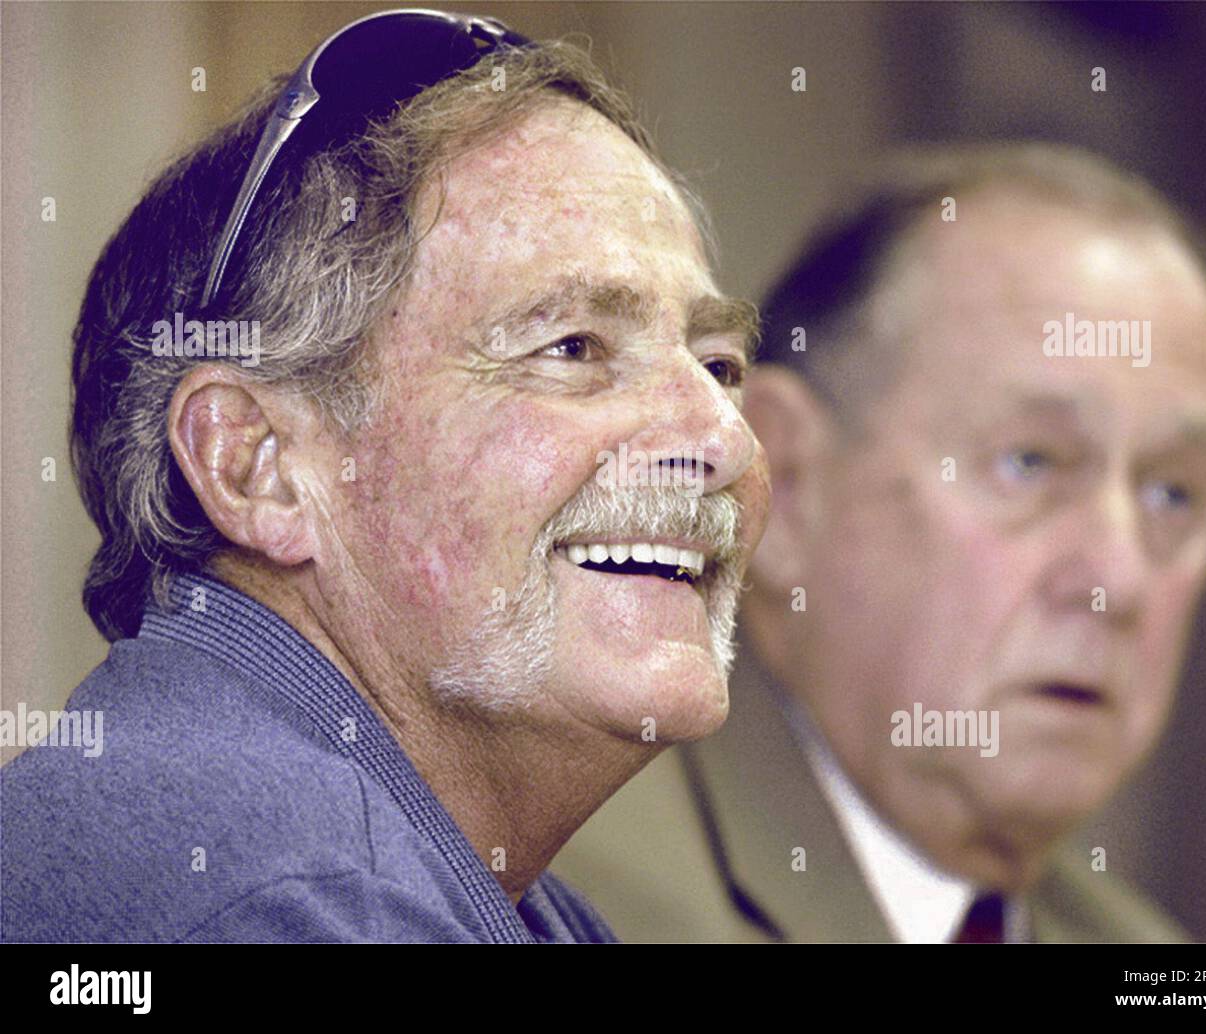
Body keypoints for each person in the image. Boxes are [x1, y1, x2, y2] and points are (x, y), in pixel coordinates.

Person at [0, 10, 769, 943]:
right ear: (259, 468)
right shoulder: (294, 903)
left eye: (720, 366)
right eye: (573, 347)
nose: (722, 437)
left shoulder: (436, 877)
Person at [553, 143, 1206, 942]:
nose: (1117, 581)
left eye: (1173, 493)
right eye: (1031, 462)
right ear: (787, 482)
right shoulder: (558, 899)